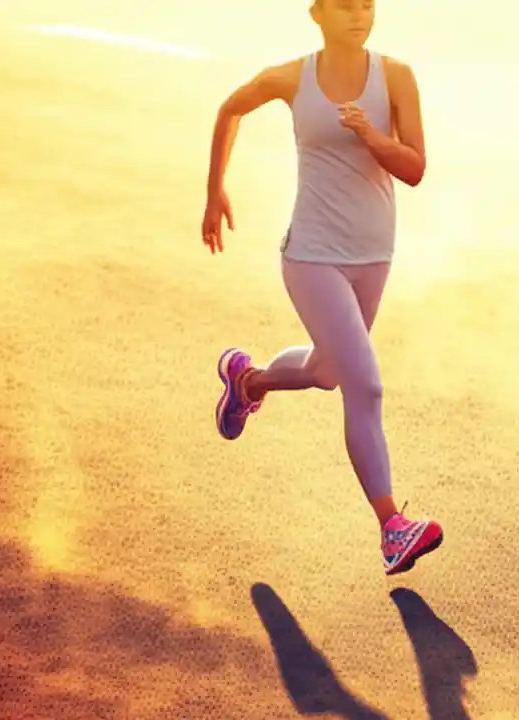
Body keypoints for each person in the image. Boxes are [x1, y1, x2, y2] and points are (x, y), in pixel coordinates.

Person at [199, 0, 442, 576]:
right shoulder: (292, 78)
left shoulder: (397, 77)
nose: (359, 14)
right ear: (317, 13)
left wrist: (370, 135)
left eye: (367, 4)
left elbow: (414, 168)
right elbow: (231, 109)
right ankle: (392, 528)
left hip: (373, 257)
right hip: (311, 257)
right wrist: (215, 191)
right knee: (365, 384)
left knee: (328, 372)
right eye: (345, 5)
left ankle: (247, 381)